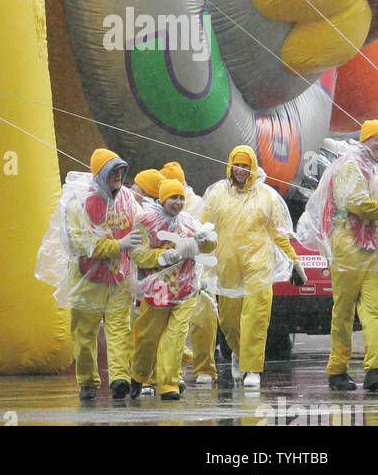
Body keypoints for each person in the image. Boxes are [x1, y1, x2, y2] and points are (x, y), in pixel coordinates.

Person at [36, 147, 140, 402]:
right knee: (84, 335)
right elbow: (82, 243)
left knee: (119, 330)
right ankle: (88, 382)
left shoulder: (127, 198)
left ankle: (119, 379)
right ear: (101, 172)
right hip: (87, 279)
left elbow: (142, 224)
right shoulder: (79, 201)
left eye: (120, 170)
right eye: (113, 171)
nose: (118, 175)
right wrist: (119, 245)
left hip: (119, 277)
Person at [198, 145, 305, 389]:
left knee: (255, 319)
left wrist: (294, 262)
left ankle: (253, 368)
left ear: (253, 167)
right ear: (230, 166)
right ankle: (239, 353)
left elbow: (279, 234)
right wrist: (202, 269)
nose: (241, 170)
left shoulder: (267, 196)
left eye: (246, 165)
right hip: (227, 268)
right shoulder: (216, 194)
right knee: (229, 321)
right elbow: (204, 232)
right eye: (237, 164)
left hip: (259, 266)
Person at [299, 119, 378, 392]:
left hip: (370, 249)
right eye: (376, 139)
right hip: (347, 249)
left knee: (373, 310)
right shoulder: (350, 164)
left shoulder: (371, 166)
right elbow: (354, 202)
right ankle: (337, 370)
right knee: (343, 312)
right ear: (366, 138)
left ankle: (375, 370)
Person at [130, 177, 213, 401]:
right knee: (148, 336)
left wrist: (205, 240)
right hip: (157, 290)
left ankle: (168, 385)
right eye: (173, 198)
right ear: (163, 198)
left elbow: (208, 248)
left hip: (185, 289)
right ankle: (138, 375)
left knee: (175, 337)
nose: (177, 202)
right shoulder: (146, 220)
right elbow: (137, 253)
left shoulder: (188, 222)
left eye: (181, 198)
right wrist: (161, 256)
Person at [158, 158, 218, 388]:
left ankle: (204, 367)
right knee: (171, 326)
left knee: (203, 321)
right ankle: (175, 370)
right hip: (169, 273)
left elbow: (211, 239)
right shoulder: (158, 205)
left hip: (199, 271)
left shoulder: (200, 205)